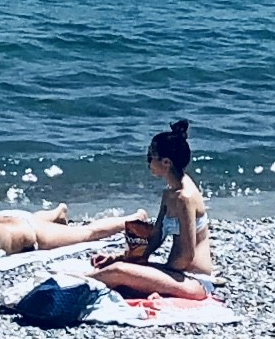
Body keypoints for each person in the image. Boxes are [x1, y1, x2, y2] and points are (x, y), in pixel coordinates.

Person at [89, 119, 219, 297]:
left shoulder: (185, 198)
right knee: (119, 270)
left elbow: (187, 255)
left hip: (194, 278)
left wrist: (159, 271)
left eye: (151, 156)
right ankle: (88, 279)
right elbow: (155, 238)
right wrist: (121, 256)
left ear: (166, 162)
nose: (148, 162)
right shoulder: (169, 194)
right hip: (177, 273)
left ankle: (78, 281)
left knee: (118, 272)